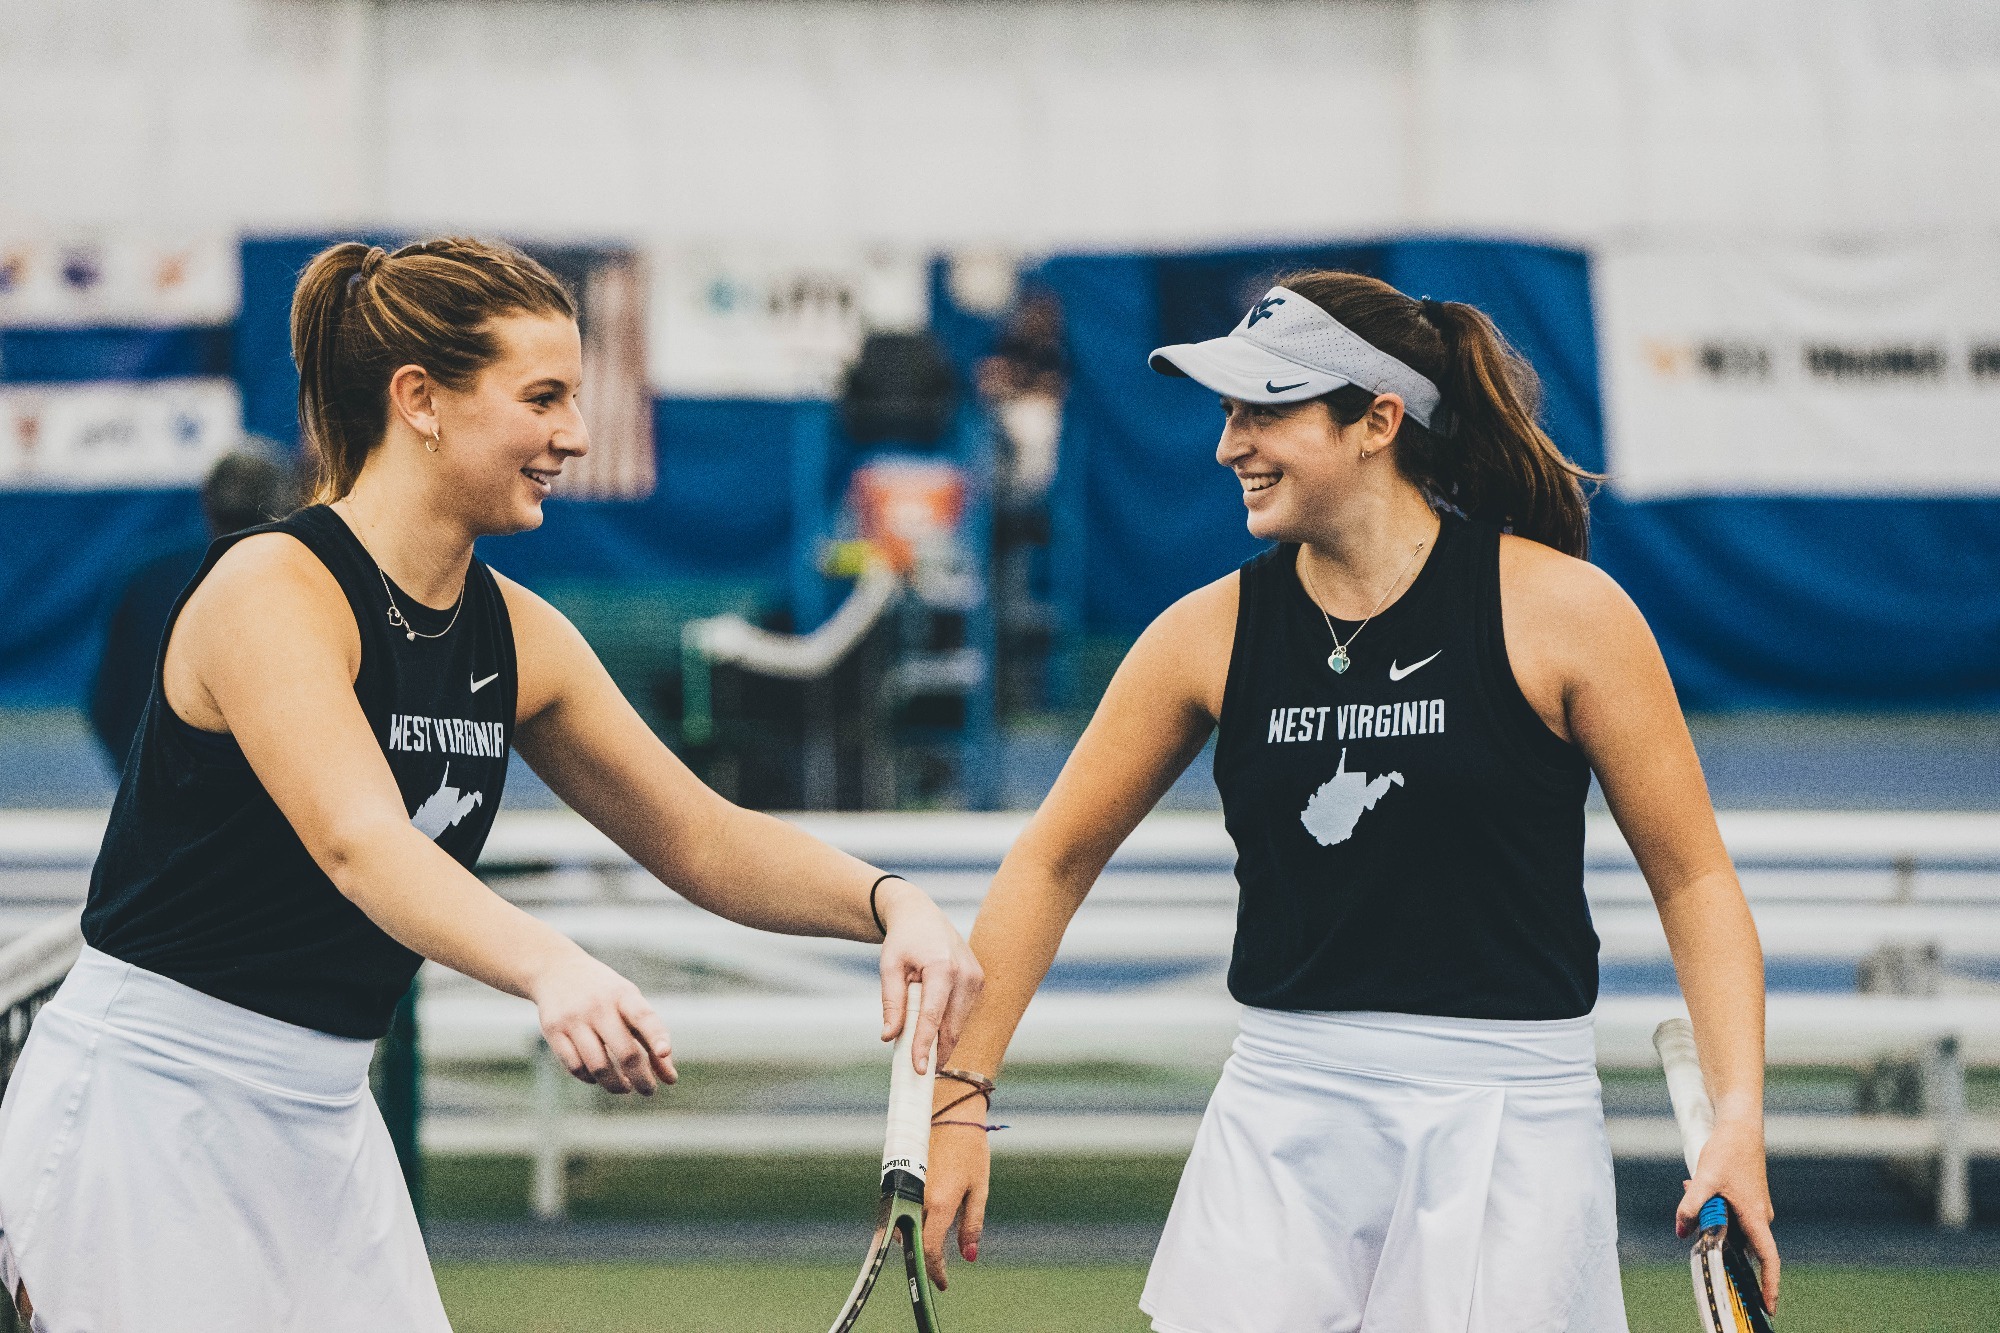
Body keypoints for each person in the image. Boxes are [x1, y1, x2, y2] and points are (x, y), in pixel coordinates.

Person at [0, 238, 981, 1332]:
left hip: (322, 1115)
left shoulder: (518, 633)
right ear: (420, 399)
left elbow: (701, 837)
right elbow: (357, 840)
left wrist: (890, 902)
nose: (574, 431)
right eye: (543, 396)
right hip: (148, 1108)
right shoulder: (272, 586)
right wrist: (550, 967)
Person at [920, 273, 1777, 1331]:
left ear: (1376, 421)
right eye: (1227, 412)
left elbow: (1692, 880)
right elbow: (1049, 860)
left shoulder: (1566, 614)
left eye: (1263, 410)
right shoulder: (1204, 632)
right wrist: (958, 1099)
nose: (1228, 445)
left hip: (1509, 1121)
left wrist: (1737, 1116)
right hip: (1279, 1115)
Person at [88, 447, 300, 769]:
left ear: (206, 503)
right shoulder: (301, 584)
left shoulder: (145, 579)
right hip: (255, 792)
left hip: (156, 784)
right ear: (286, 503)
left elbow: (106, 701)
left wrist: (137, 771)